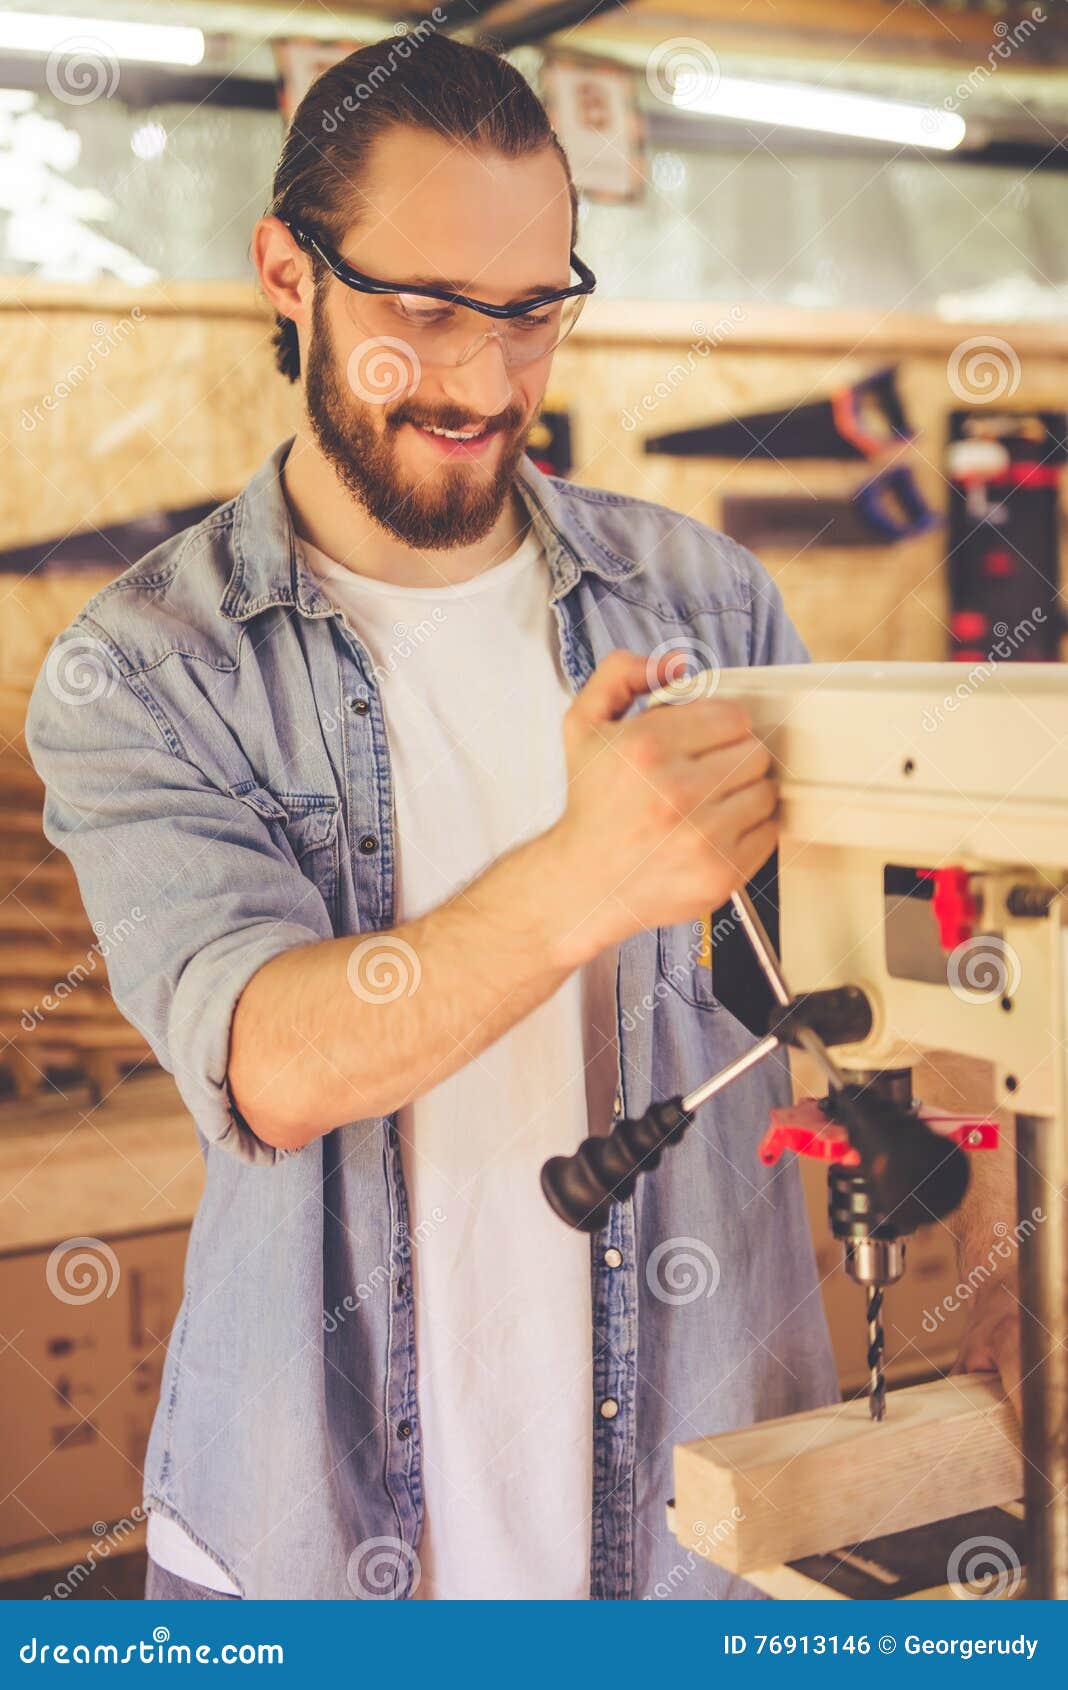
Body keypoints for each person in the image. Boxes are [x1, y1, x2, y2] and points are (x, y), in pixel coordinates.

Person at [26, 34, 1018, 1602]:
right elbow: (269, 1061)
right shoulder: (147, 669)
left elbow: (884, 969)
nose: (486, 378)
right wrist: (581, 880)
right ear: (289, 272)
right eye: (423, 311)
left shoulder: (706, 599)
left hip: (705, 1535)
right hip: (314, 1551)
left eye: (533, 310)